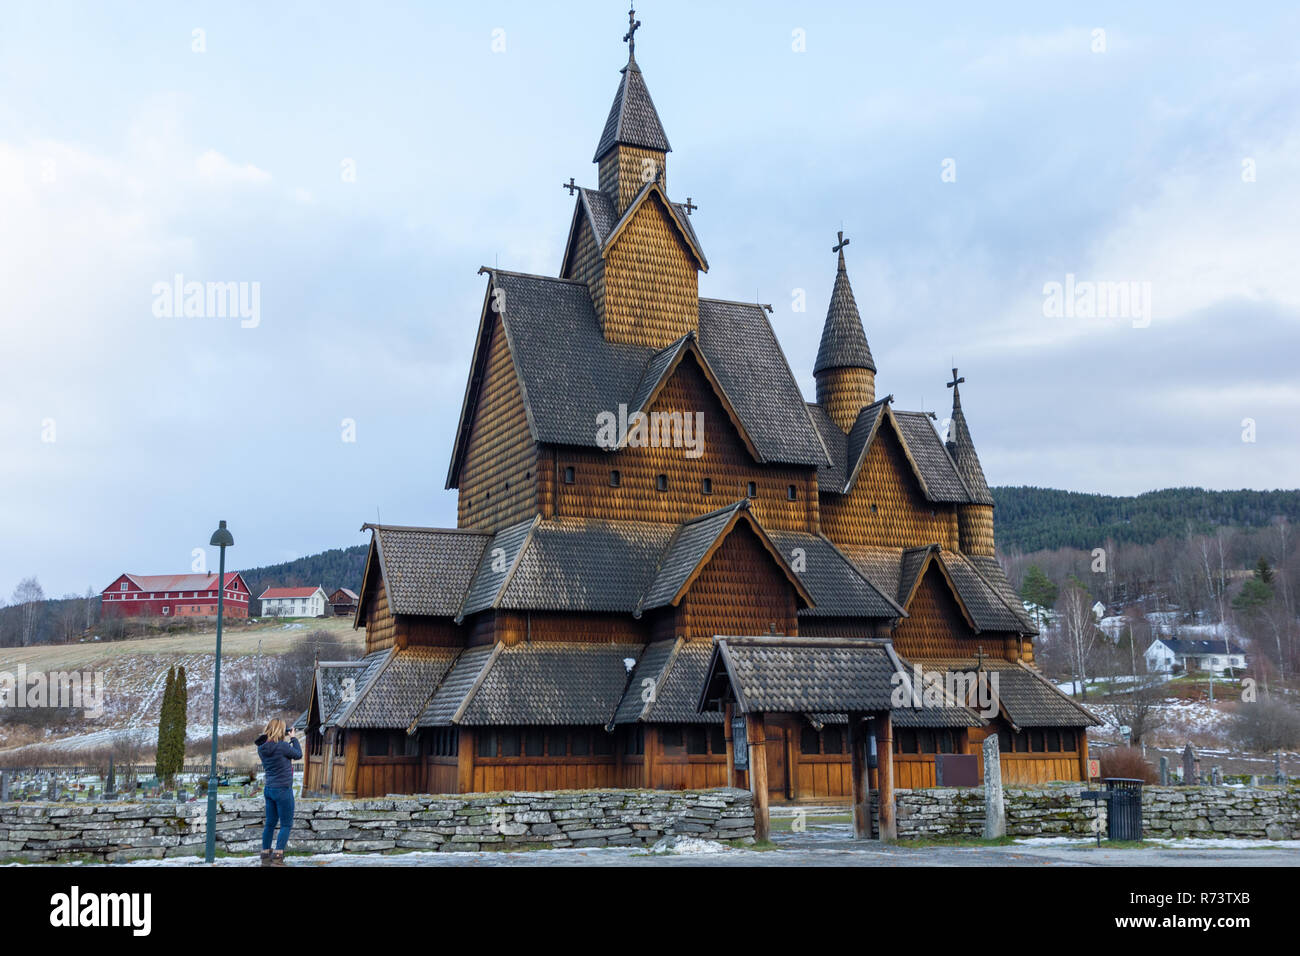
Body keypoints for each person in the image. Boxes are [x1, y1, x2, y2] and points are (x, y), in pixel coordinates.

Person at [255, 718, 301, 866]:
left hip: (269, 789)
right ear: (281, 730)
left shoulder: (261, 748)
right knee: (286, 824)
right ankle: (278, 857)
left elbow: (269, 743)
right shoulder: (282, 746)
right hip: (283, 789)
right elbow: (298, 754)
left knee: (270, 824)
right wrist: (293, 738)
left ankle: (265, 856)